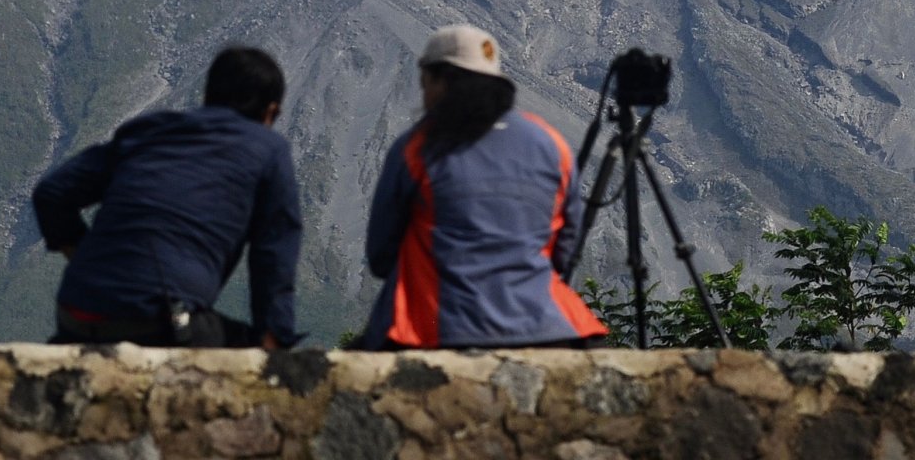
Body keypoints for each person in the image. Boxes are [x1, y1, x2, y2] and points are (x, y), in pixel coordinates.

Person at [31, 45, 301, 347]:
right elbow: (274, 255)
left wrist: (81, 257)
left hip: (74, 315)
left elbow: (51, 192)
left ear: (209, 94)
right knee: (251, 356)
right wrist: (276, 338)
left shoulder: (149, 131)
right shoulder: (269, 150)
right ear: (271, 112)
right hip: (161, 325)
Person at [359, 24, 607, 349]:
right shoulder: (551, 142)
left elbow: (381, 256)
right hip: (550, 329)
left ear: (440, 80)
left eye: (425, 81)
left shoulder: (417, 148)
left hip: (443, 330)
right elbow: (566, 250)